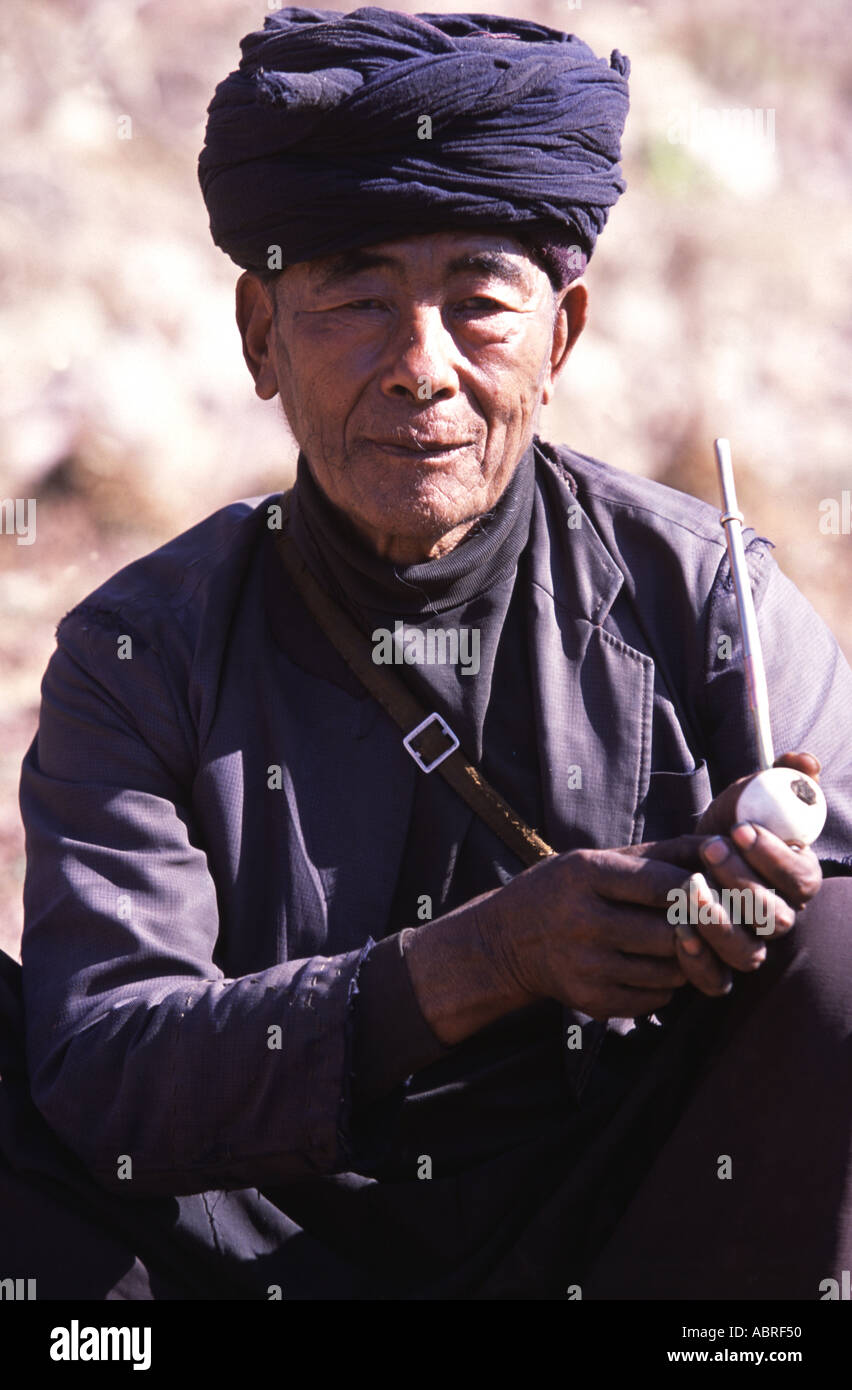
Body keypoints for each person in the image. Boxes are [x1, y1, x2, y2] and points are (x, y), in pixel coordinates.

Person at [6, 6, 852, 1301]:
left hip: (622, 1250)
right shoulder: (140, 653)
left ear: (561, 336)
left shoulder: (710, 598)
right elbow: (109, 1074)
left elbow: (820, 935)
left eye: (480, 304)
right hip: (246, 1268)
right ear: (259, 337)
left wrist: (753, 897)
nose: (423, 369)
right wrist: (475, 961)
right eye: (356, 298)